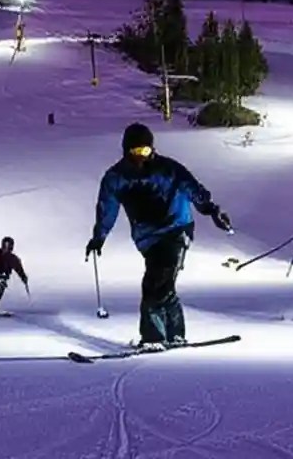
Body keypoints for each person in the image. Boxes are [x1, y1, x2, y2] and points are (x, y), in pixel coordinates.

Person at [86, 123, 233, 348]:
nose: (140, 157)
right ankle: (175, 335)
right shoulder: (116, 178)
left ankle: (154, 338)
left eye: (145, 151)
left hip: (176, 229)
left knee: (155, 285)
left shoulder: (169, 169)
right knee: (164, 284)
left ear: (152, 149)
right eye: (135, 152)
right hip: (148, 238)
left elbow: (193, 189)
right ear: (126, 151)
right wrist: (99, 236)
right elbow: (107, 208)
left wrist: (212, 210)